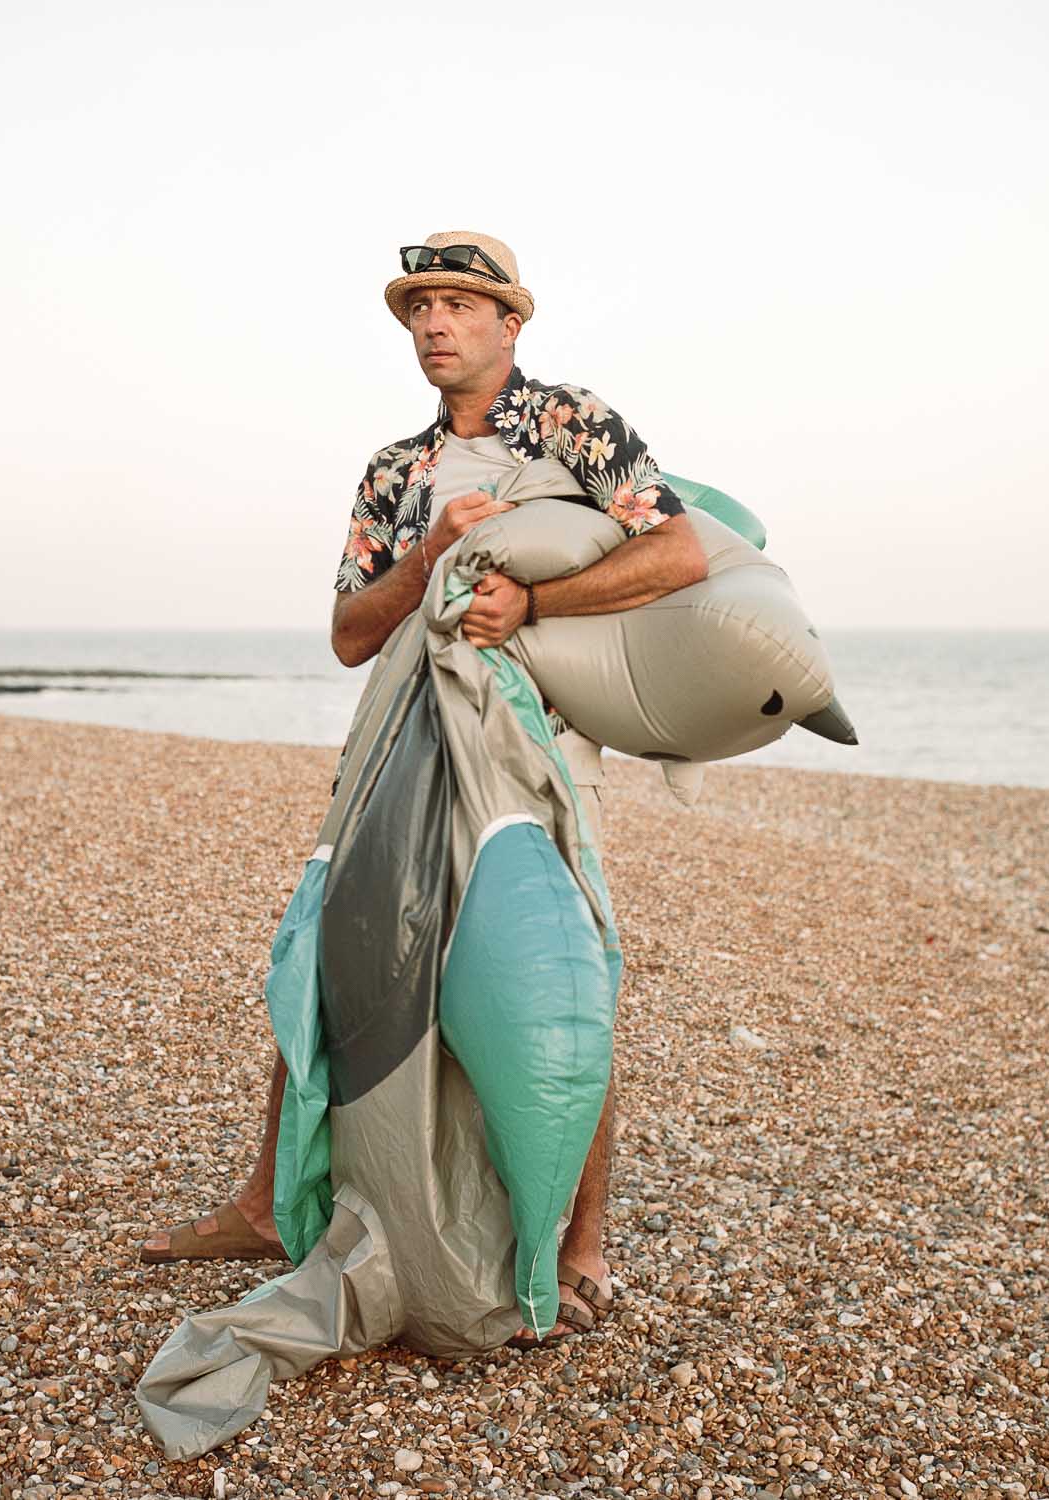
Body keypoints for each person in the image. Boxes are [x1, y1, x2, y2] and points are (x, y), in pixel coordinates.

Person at [141, 230, 706, 1345]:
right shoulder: (393, 470)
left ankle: (580, 1244)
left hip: (532, 748)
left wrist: (535, 608)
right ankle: (265, 1205)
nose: (434, 324)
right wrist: (430, 556)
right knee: (339, 948)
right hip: (400, 741)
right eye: (419, 310)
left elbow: (678, 554)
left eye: (457, 304)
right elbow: (351, 633)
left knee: (560, 970)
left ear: (510, 322)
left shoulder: (569, 423)